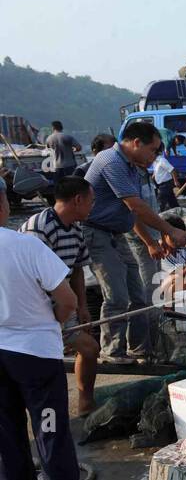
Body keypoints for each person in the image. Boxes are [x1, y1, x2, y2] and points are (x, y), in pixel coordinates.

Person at [0, 175, 95, 480]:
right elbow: (67, 299)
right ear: (4, 205)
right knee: (51, 433)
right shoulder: (26, 245)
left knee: (8, 439)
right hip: (36, 357)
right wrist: (52, 321)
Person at [83, 120, 186, 363]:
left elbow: (134, 212)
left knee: (138, 294)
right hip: (96, 232)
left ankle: (138, 348)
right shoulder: (111, 160)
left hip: (116, 232)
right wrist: (169, 230)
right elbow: (135, 205)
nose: (155, 156)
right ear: (137, 143)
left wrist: (158, 236)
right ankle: (111, 350)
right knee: (116, 295)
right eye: (153, 150)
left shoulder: (131, 166)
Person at [19, 176, 99, 416]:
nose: (93, 206)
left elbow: (77, 270)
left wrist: (82, 306)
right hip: (35, 308)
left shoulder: (75, 229)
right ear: (78, 200)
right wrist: (55, 317)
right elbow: (30, 278)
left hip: (64, 303)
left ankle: (85, 403)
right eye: (92, 201)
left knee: (90, 349)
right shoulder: (38, 229)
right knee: (45, 361)